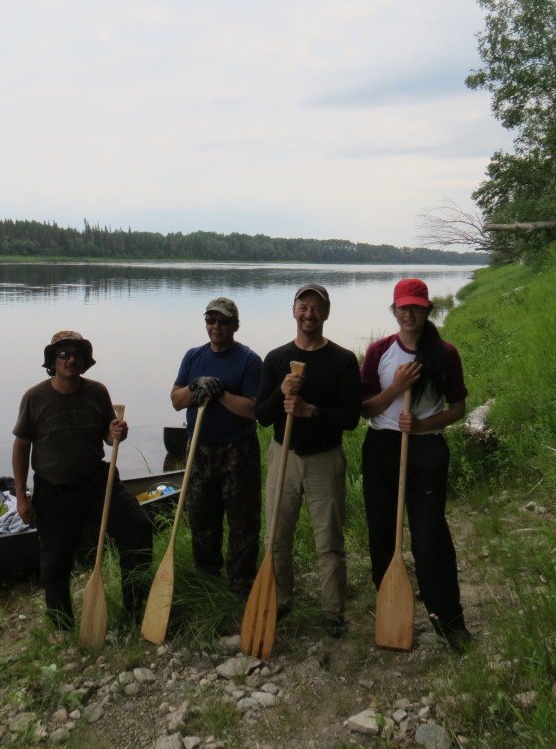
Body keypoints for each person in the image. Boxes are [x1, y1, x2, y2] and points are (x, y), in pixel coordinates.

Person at [11, 330, 152, 630]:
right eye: (64, 354)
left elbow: (107, 434)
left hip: (98, 483)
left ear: (84, 360)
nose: (70, 359)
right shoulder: (35, 398)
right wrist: (22, 497)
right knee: (55, 562)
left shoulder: (97, 392)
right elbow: (21, 446)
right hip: (54, 490)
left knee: (137, 529)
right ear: (53, 360)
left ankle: (136, 609)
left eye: (76, 354)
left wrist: (116, 434)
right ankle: (62, 627)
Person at [359, 278, 472, 651]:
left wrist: (424, 424)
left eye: (416, 307)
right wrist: (395, 388)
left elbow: (458, 408)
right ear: (394, 311)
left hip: (426, 451)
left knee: (429, 537)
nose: (409, 314)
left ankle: (448, 620)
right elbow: (364, 410)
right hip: (382, 447)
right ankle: (390, 606)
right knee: (382, 534)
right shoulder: (379, 352)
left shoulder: (446, 353)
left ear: (427, 309)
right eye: (402, 307)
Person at [254, 283, 362, 637]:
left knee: (328, 540)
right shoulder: (275, 358)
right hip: (284, 456)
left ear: (326, 313)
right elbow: (263, 415)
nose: (309, 313)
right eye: (303, 306)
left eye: (316, 307)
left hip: (324, 459)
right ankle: (282, 599)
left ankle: (333, 611)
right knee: (276, 537)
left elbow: (351, 418)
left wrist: (310, 410)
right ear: (293, 311)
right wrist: (281, 392)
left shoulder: (344, 360)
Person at [170, 297, 263, 599]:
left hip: (239, 452)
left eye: (223, 321)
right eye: (211, 320)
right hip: (199, 449)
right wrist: (195, 386)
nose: (216, 327)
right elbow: (176, 400)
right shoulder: (193, 356)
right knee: (201, 518)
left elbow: (253, 410)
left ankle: (241, 585)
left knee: (243, 522)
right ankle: (207, 577)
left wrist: (220, 392)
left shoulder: (249, 361)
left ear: (235, 325)